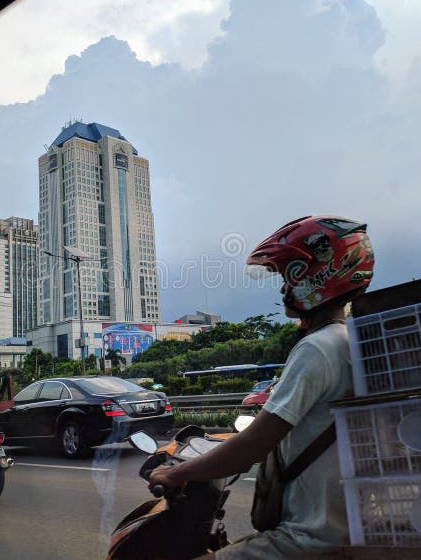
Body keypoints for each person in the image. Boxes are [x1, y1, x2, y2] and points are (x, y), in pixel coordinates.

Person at [149, 216, 374, 559]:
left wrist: (178, 473)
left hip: (308, 540)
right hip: (350, 530)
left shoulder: (317, 348)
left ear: (319, 275)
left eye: (289, 276)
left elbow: (255, 443)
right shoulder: (351, 340)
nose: (284, 288)